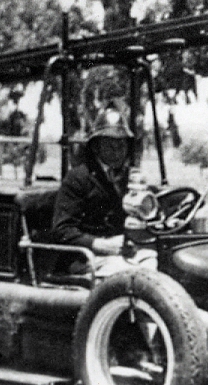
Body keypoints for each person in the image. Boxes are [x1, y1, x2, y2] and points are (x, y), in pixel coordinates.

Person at [51, 107, 153, 275]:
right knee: (126, 273)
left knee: (155, 262)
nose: (117, 150)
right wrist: (100, 244)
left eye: (121, 144)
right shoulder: (77, 178)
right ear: (96, 147)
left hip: (123, 253)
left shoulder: (131, 178)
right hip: (84, 258)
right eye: (110, 144)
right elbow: (62, 230)